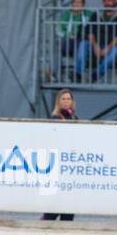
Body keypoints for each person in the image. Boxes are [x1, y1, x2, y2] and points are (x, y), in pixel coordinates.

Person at [42, 90, 77, 222]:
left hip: (70, 163)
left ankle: (66, 222)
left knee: (69, 199)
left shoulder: (75, 118)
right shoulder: (55, 118)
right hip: (57, 162)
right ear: (59, 101)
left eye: (68, 98)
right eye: (63, 99)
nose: (66, 101)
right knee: (56, 197)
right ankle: (46, 221)